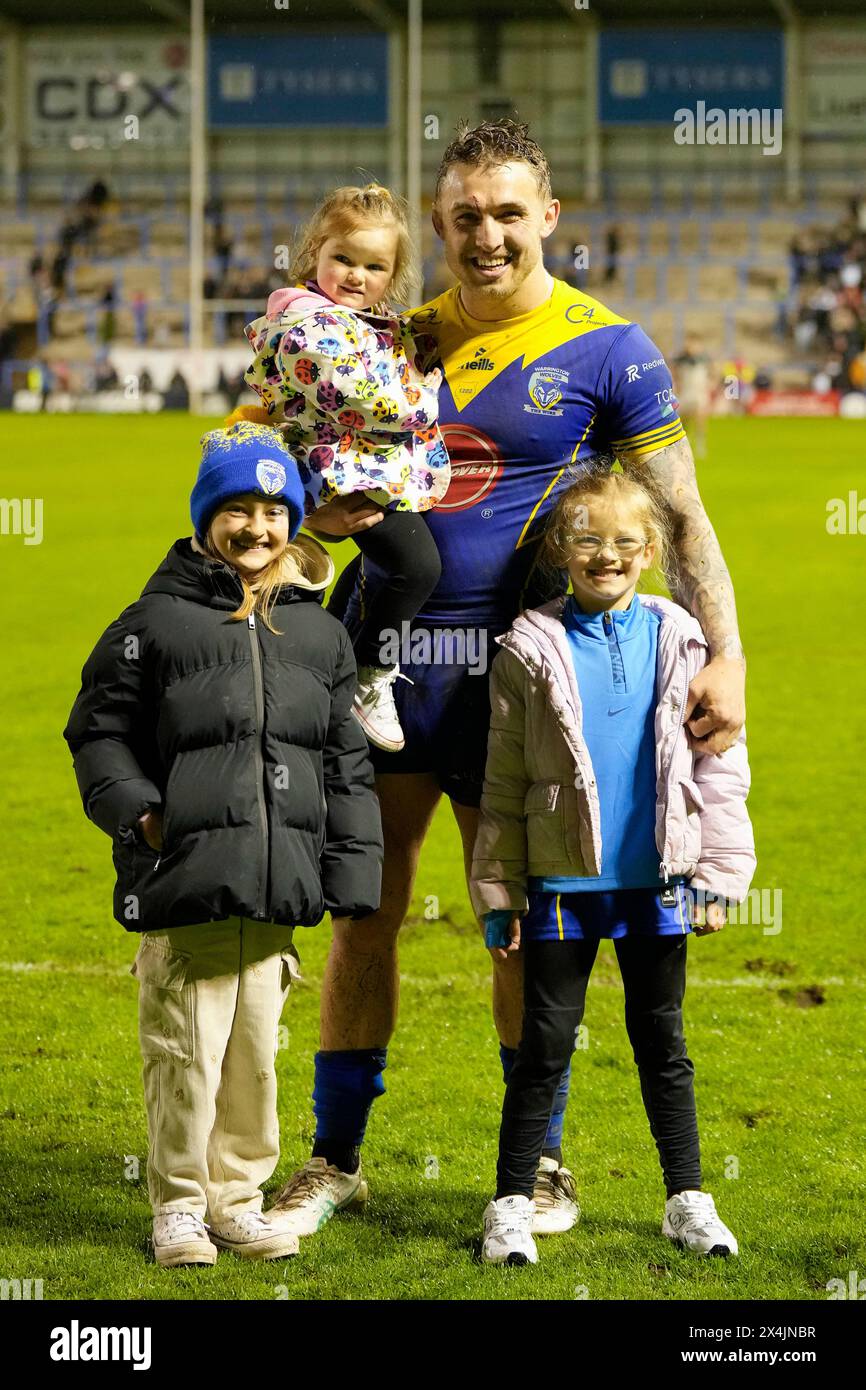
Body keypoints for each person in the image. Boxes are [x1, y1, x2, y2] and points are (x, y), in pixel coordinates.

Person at [274, 119, 748, 1240]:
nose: (484, 235)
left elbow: (679, 515)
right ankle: (332, 1157)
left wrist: (725, 653)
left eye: (505, 213)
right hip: (377, 677)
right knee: (361, 918)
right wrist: (308, 527)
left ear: (546, 218)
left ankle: (535, 1163)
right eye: (463, 216)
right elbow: (296, 492)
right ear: (437, 224)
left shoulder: (607, 349)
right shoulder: (384, 335)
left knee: (522, 926)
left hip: (519, 689)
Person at [63, 421, 383, 1268]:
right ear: (207, 517)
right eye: (236, 509)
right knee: (185, 1051)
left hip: (277, 887)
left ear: (296, 520)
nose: (257, 528)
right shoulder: (155, 622)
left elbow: (345, 763)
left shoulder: (317, 635)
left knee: (253, 1059)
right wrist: (140, 814)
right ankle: (177, 1206)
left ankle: (237, 1200)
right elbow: (98, 733)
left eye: (275, 511)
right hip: (186, 875)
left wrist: (349, 869)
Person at [471, 471, 755, 1266]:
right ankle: (510, 1205)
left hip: (658, 883)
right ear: (562, 549)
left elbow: (719, 768)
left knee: (661, 1042)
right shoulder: (528, 646)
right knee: (543, 1048)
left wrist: (720, 877)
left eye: (626, 542)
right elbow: (503, 780)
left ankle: (688, 1199)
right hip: (563, 888)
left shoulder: (681, 636)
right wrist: (499, 890)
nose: (608, 556)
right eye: (589, 540)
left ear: (651, 550)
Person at [243, 183, 450, 752]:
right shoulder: (310, 324)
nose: (357, 275)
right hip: (337, 472)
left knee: (390, 572)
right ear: (315, 254)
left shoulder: (358, 321)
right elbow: (361, 394)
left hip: (355, 470)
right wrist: (423, 397)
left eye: (374, 266)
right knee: (416, 566)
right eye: (344, 259)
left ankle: (321, 679)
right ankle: (367, 676)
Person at [672, 334, 713, 460]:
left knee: (700, 418)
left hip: (699, 392)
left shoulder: (704, 358)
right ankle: (683, 444)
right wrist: (677, 385)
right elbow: (674, 371)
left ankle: (701, 444)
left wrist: (710, 384)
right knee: (684, 421)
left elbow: (713, 371)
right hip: (685, 392)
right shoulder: (681, 359)